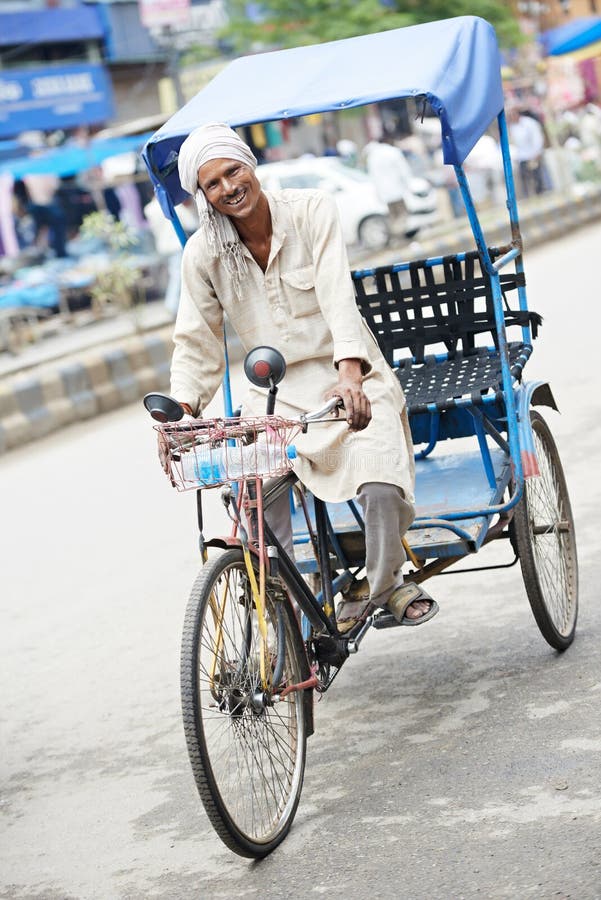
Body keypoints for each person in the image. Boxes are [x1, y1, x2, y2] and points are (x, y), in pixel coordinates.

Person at [165, 122, 438, 629]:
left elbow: (338, 295)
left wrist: (351, 372)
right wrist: (183, 408)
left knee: (380, 481)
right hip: (275, 396)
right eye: (213, 183)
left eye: (234, 171)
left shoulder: (312, 209)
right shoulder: (202, 253)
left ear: (251, 165)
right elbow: (196, 340)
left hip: (349, 376)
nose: (229, 187)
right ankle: (284, 606)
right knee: (254, 492)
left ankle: (381, 587)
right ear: (203, 195)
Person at [144, 195, 197, 317]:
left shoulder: (149, 209)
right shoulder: (171, 204)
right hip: (176, 245)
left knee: (175, 275)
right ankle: (171, 305)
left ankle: (175, 305)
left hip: (163, 246)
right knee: (178, 276)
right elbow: (190, 222)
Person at [507, 107, 546, 198]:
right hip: (522, 157)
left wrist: (537, 152)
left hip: (533, 155)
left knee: (538, 180)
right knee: (525, 182)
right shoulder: (511, 127)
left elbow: (537, 138)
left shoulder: (529, 123)